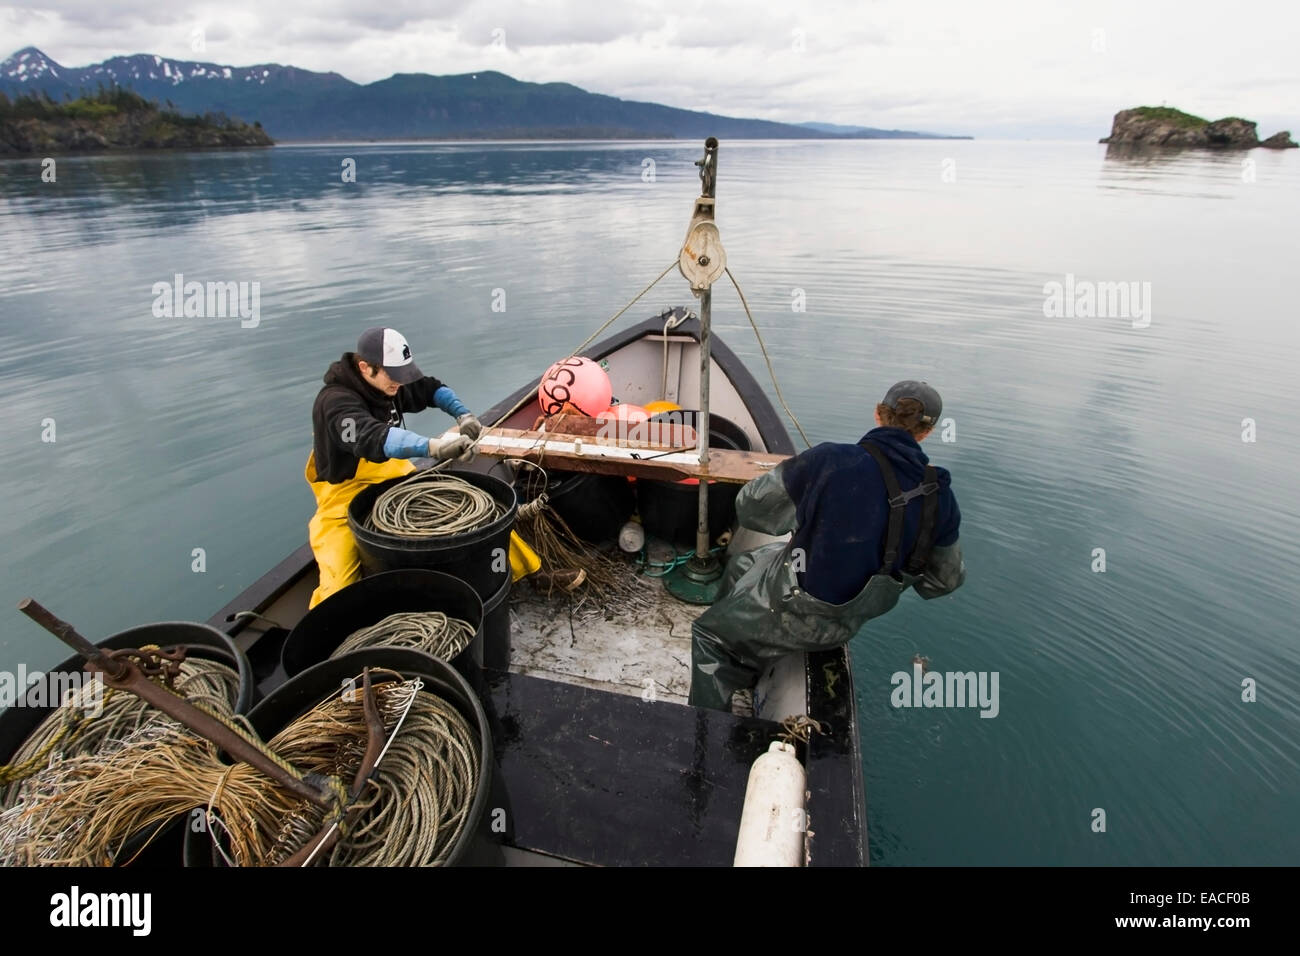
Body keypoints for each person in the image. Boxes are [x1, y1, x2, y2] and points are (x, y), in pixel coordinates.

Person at [688, 380, 967, 710]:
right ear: (928, 431)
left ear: (878, 414)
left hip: (796, 607)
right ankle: (745, 663)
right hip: (850, 620)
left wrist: (805, 505)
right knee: (743, 564)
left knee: (708, 639)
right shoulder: (940, 495)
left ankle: (704, 733)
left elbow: (751, 509)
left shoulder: (831, 460)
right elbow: (943, 583)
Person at [305, 326, 485, 608]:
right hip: (342, 494)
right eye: (394, 376)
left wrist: (463, 414)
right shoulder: (335, 403)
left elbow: (430, 388)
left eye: (404, 375)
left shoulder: (389, 382)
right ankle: (326, 639)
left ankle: (531, 572)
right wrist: (433, 447)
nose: (400, 384)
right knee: (339, 582)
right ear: (365, 367)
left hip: (394, 472)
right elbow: (372, 437)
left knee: (468, 519)